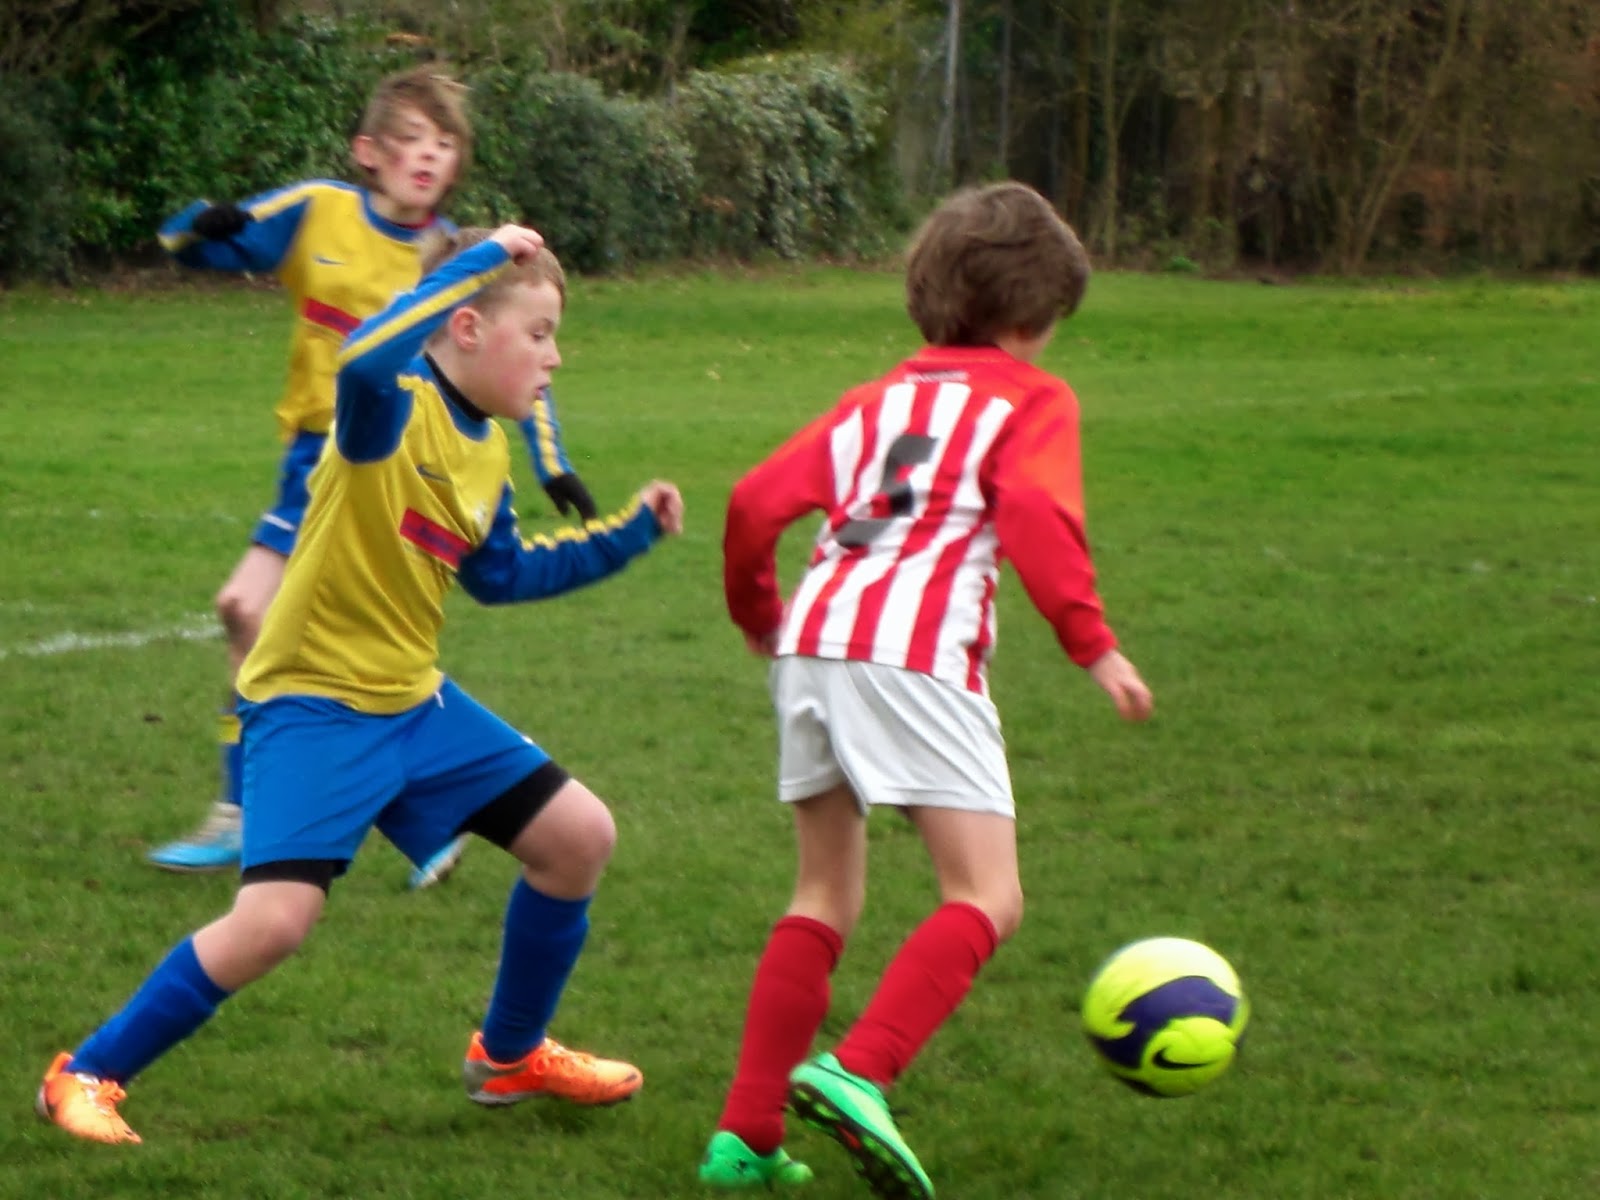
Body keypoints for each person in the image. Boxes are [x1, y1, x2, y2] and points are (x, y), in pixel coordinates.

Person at [36, 223, 684, 1145]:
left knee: (578, 837)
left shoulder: (488, 452)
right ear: (465, 327)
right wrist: (480, 254)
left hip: (412, 703)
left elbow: (500, 578)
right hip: (312, 703)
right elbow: (367, 355)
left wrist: (629, 535)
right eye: (538, 334)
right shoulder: (391, 405)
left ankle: (508, 1056)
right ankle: (85, 1074)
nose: (556, 358)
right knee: (272, 924)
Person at [698, 182, 1154, 1198]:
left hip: (814, 642)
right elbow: (1034, 512)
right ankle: (860, 1071)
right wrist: (1092, 646)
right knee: (988, 893)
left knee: (822, 892)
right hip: (913, 654)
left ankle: (745, 1136)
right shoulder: (1032, 398)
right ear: (1036, 315)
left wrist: (759, 619)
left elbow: (750, 503)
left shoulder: (875, 400)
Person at [147, 64, 597, 887]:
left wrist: (553, 464)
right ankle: (419, 821)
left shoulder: (457, 255)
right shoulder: (318, 210)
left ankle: (250, 813)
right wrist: (199, 225)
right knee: (295, 635)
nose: (429, 157)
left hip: (387, 463)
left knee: (256, 613)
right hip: (314, 457)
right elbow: (200, 238)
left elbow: (513, 359)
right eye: (412, 139)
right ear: (369, 151)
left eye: (446, 143)